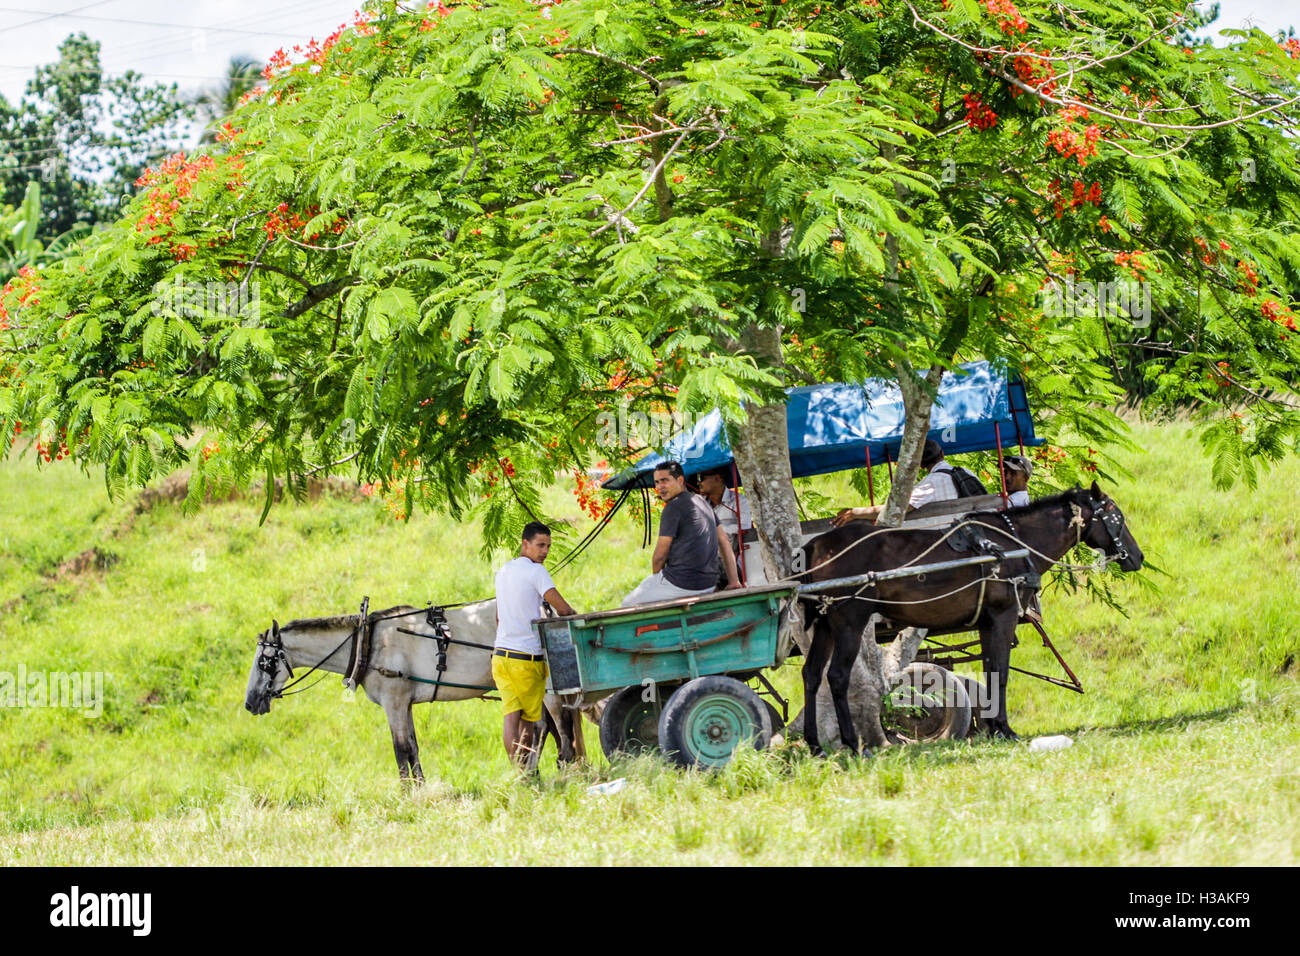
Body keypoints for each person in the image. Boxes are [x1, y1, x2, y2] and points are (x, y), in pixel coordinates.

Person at [493, 522, 575, 770]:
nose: (545, 551)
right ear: (524, 544)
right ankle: (524, 771)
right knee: (528, 721)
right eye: (540, 545)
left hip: (500, 657)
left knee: (510, 718)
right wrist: (573, 614)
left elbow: (498, 617)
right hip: (526, 659)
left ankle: (516, 774)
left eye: (548, 546)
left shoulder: (503, 571)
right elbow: (561, 608)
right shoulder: (536, 572)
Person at [621, 461, 742, 606]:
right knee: (647, 587)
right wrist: (734, 582)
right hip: (708, 584)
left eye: (665, 481)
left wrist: (656, 580)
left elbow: (659, 557)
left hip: (682, 585)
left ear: (680, 480)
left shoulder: (673, 507)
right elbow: (724, 541)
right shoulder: (702, 502)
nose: (660, 487)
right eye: (657, 482)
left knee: (627, 604)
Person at [831, 439, 960, 527]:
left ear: (920, 465)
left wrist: (855, 513)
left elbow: (896, 508)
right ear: (942, 453)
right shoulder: (966, 473)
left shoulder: (930, 484)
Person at [693, 466, 754, 587]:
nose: (699, 483)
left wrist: (717, 529)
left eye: (702, 478)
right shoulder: (700, 504)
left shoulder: (739, 500)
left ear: (717, 478)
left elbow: (745, 528)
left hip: (733, 560)